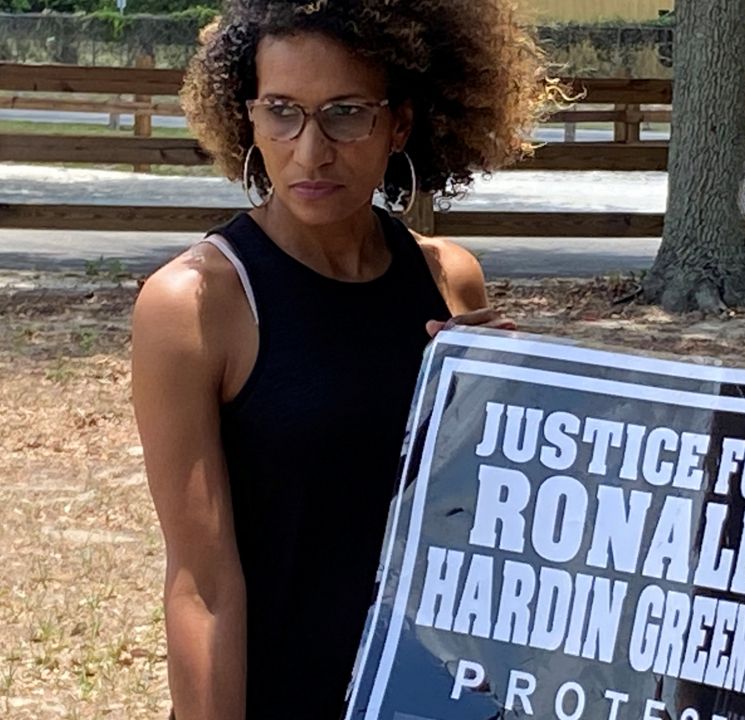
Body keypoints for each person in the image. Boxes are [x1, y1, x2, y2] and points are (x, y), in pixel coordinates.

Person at [130, 1, 553, 717]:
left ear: (402, 123)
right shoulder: (197, 302)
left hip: (428, 696)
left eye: (347, 113)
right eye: (282, 111)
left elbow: (481, 529)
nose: (310, 150)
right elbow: (202, 585)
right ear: (248, 117)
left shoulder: (450, 280)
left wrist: (504, 402)